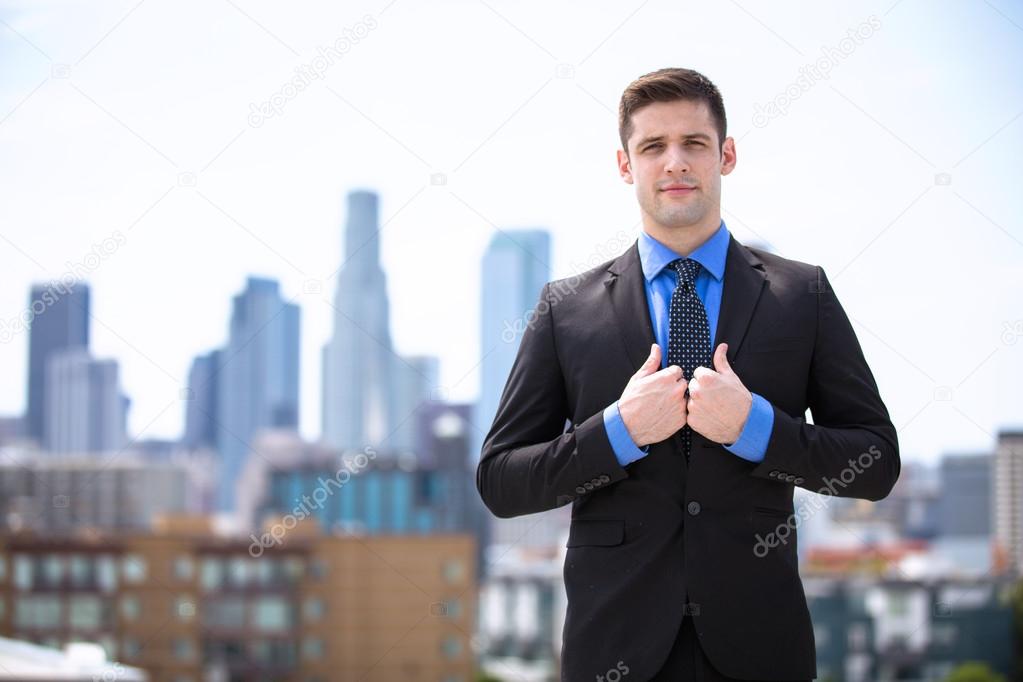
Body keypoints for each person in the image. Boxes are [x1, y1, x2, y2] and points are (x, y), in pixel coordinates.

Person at [476, 67, 900, 681]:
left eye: (694, 143)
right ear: (626, 165)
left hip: (762, 651)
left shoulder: (802, 294)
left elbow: (877, 462)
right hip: (613, 651)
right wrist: (617, 432)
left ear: (725, 155)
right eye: (653, 147)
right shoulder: (564, 309)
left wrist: (756, 427)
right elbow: (500, 481)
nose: (674, 162)